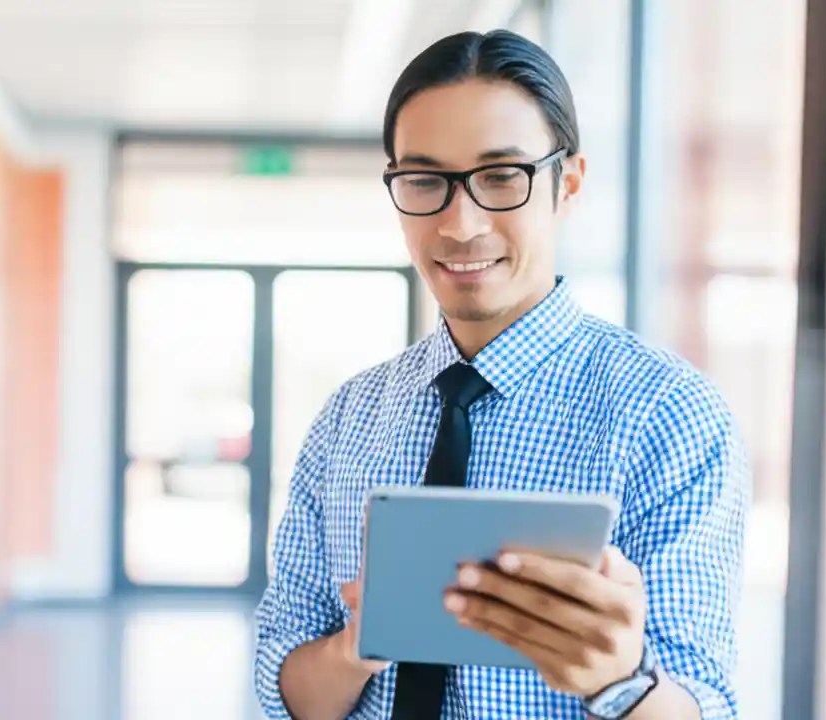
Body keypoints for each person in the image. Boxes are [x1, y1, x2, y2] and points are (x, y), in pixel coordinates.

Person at [254, 29, 748, 720]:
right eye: (425, 180)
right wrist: (358, 646)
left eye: (500, 177)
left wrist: (618, 680)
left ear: (566, 183)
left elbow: (705, 704)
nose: (461, 224)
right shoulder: (350, 417)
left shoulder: (667, 413)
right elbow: (288, 685)